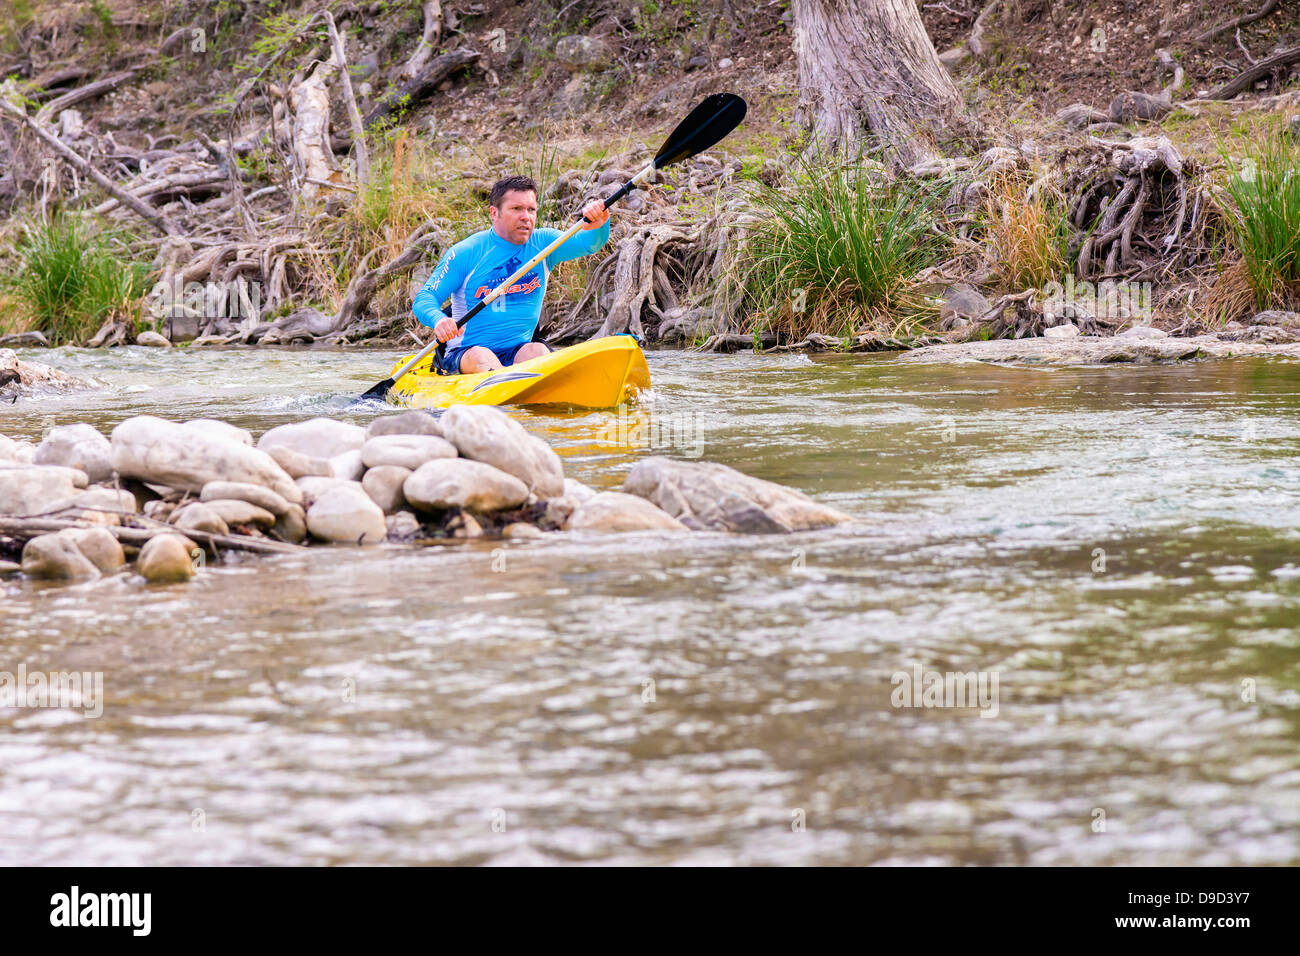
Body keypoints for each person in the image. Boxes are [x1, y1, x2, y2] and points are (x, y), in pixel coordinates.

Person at [412, 175, 611, 374]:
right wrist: (439, 320)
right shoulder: (466, 252)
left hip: (518, 351)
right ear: (494, 213)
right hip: (467, 355)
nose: (526, 217)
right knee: (481, 356)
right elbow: (425, 297)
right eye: (516, 209)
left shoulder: (544, 244)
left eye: (531, 209)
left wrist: (599, 224)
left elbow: (589, 243)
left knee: (538, 350)